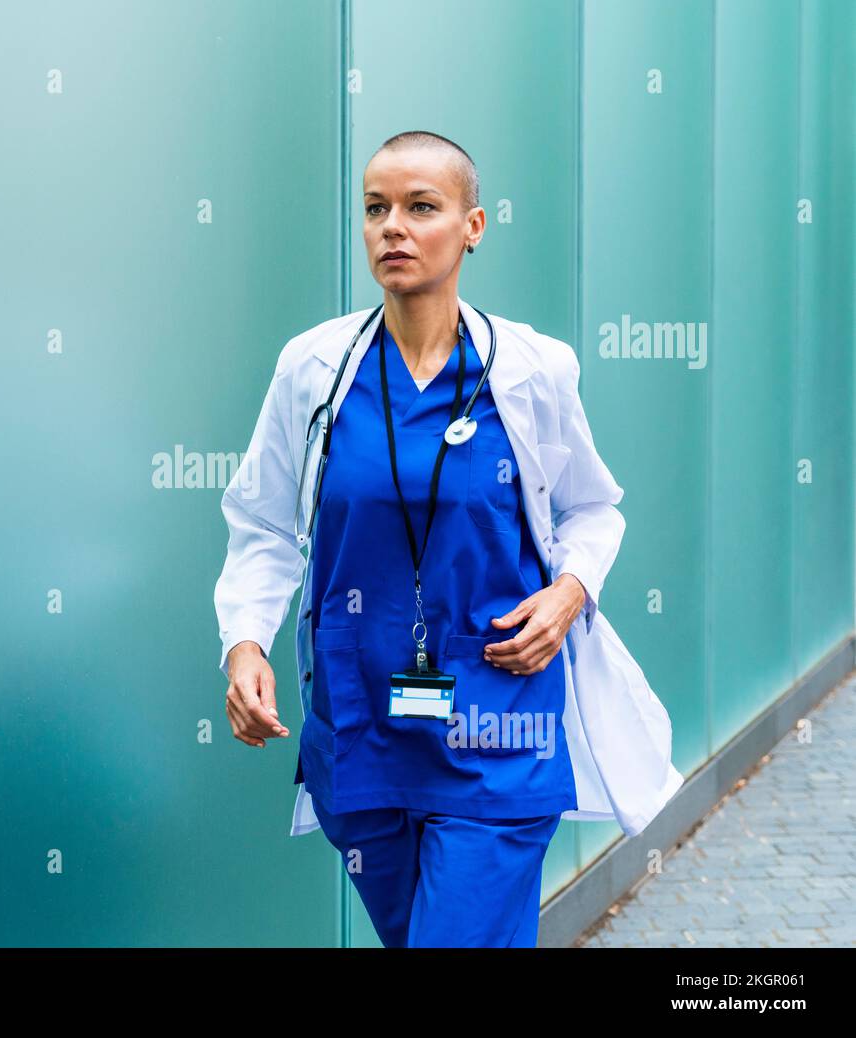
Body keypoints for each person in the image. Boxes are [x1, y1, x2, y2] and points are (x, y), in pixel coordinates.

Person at [213, 130, 682, 948]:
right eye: (375, 209)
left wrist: (569, 594)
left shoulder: (533, 371)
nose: (392, 226)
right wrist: (245, 642)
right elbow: (261, 520)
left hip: (499, 724)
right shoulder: (315, 368)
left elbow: (593, 510)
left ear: (473, 225)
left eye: (420, 207)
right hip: (359, 727)